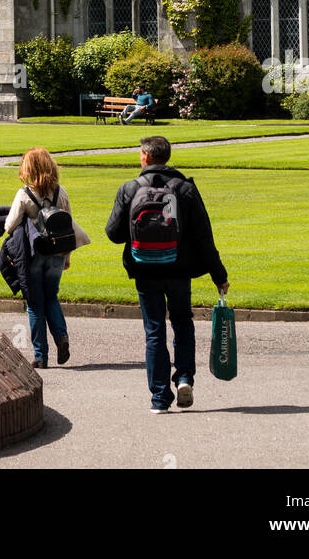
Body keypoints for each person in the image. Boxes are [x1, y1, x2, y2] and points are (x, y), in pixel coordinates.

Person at [106, 134, 229, 414]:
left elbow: (113, 234)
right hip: (178, 269)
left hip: (144, 269)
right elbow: (204, 237)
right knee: (182, 323)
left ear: (146, 157)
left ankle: (160, 398)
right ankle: (184, 378)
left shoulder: (130, 188)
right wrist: (218, 275)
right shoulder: (185, 189)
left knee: (154, 331)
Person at [4, 147, 90, 369]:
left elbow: (9, 226)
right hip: (57, 253)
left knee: (34, 303)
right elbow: (68, 226)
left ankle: (41, 356)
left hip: (33, 254)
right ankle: (61, 336)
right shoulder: (61, 192)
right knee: (51, 297)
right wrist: (67, 256)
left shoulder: (24, 194)